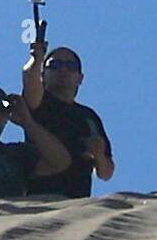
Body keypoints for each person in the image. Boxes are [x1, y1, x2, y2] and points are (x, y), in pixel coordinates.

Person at [22, 43, 115, 198]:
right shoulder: (40, 103)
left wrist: (99, 155)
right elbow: (29, 80)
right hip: (40, 196)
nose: (63, 70)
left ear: (80, 78)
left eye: (71, 66)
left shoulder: (88, 116)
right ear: (43, 74)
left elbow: (106, 173)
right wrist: (37, 60)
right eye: (55, 65)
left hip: (77, 201)